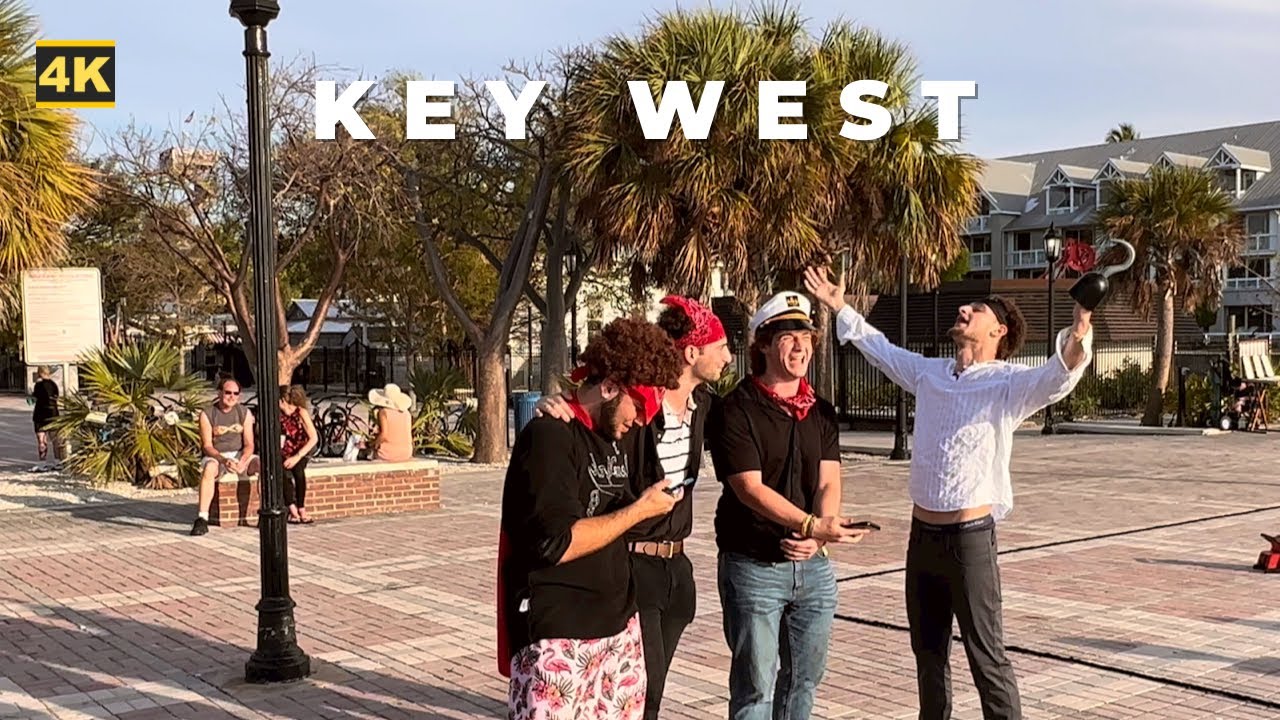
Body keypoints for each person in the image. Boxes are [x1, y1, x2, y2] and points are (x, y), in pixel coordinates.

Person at [804, 266, 1094, 720]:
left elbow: (1061, 373)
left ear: (999, 330)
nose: (964, 309)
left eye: (977, 309)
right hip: (921, 539)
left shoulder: (1009, 382)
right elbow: (880, 349)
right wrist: (840, 305)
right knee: (929, 657)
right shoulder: (930, 373)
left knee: (987, 658)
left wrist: (1080, 325)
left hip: (970, 540)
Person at [535, 295, 735, 719]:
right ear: (692, 352)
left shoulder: (705, 408)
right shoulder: (637, 407)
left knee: (649, 694)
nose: (728, 357)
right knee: (644, 691)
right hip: (631, 563)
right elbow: (592, 418)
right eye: (721, 347)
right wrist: (558, 403)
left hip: (675, 567)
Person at [498, 317, 685, 720]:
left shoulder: (616, 431)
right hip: (560, 635)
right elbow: (557, 542)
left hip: (618, 627)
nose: (641, 421)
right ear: (610, 387)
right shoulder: (550, 436)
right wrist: (638, 510)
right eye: (639, 407)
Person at [709, 291, 870, 720]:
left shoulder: (820, 411)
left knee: (804, 680)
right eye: (787, 336)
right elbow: (749, 488)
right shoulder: (736, 408)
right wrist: (813, 525)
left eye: (806, 337)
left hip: (813, 567)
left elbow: (829, 479)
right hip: (754, 566)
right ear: (763, 343)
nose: (801, 346)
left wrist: (819, 534)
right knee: (755, 688)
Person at [192, 376, 259, 536]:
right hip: (217, 456)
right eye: (228, 392)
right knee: (209, 469)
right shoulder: (207, 414)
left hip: (239, 454)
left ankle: (262, 513)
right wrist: (223, 460)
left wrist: (242, 461)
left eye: (236, 393)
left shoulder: (244, 413)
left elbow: (249, 444)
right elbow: (207, 445)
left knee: (261, 465)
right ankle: (202, 518)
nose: (232, 397)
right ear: (219, 393)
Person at [280, 385, 319, 524]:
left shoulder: (300, 412)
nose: (288, 409)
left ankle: (301, 507)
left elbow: (314, 437)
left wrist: (297, 457)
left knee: (299, 472)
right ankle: (292, 508)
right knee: (283, 472)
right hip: (284, 450)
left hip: (300, 449)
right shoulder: (278, 414)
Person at [365, 382, 414, 462]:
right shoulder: (407, 414)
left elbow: (384, 435)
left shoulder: (384, 412)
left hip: (388, 454)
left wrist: (369, 444)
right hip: (406, 453)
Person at [31, 366, 60, 465]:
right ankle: (57, 462)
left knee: (42, 440)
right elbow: (56, 397)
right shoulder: (54, 385)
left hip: (40, 414)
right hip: (53, 414)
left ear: (40, 373)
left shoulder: (38, 385)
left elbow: (35, 397)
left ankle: (42, 463)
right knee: (55, 440)